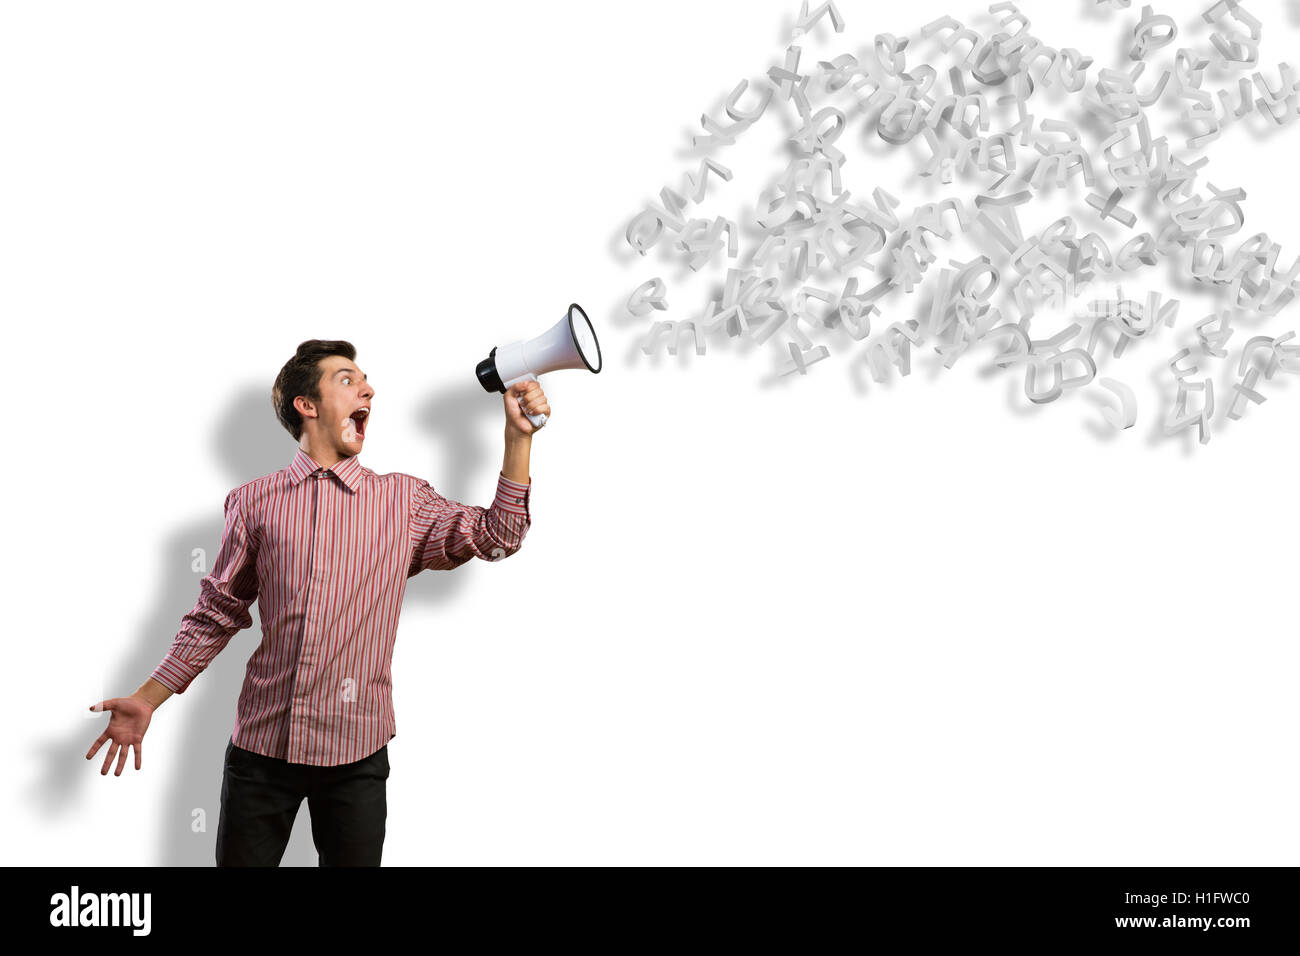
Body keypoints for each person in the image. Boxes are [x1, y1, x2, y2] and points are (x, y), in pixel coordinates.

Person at [85, 339, 549, 866]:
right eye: (348, 379)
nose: (368, 388)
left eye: (366, 380)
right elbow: (216, 614)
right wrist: (147, 698)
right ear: (306, 405)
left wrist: (517, 439)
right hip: (261, 753)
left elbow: (499, 536)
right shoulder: (253, 501)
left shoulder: (403, 500)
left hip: (357, 754)